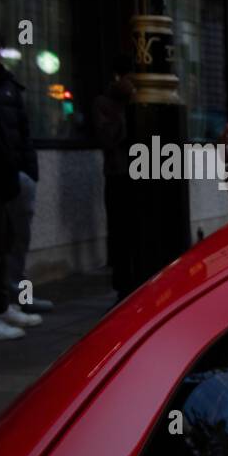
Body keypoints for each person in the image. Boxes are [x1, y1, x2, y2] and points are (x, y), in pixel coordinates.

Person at [0, 21, 39, 339]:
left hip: (5, 175)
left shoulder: (1, 84)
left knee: (4, 242)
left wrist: (26, 169)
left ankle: (2, 305)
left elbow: (15, 130)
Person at [93, 53, 137, 298]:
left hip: (142, 172)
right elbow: (108, 138)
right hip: (118, 174)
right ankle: (122, 286)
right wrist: (127, 110)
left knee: (137, 230)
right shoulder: (104, 103)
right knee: (120, 231)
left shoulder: (138, 100)